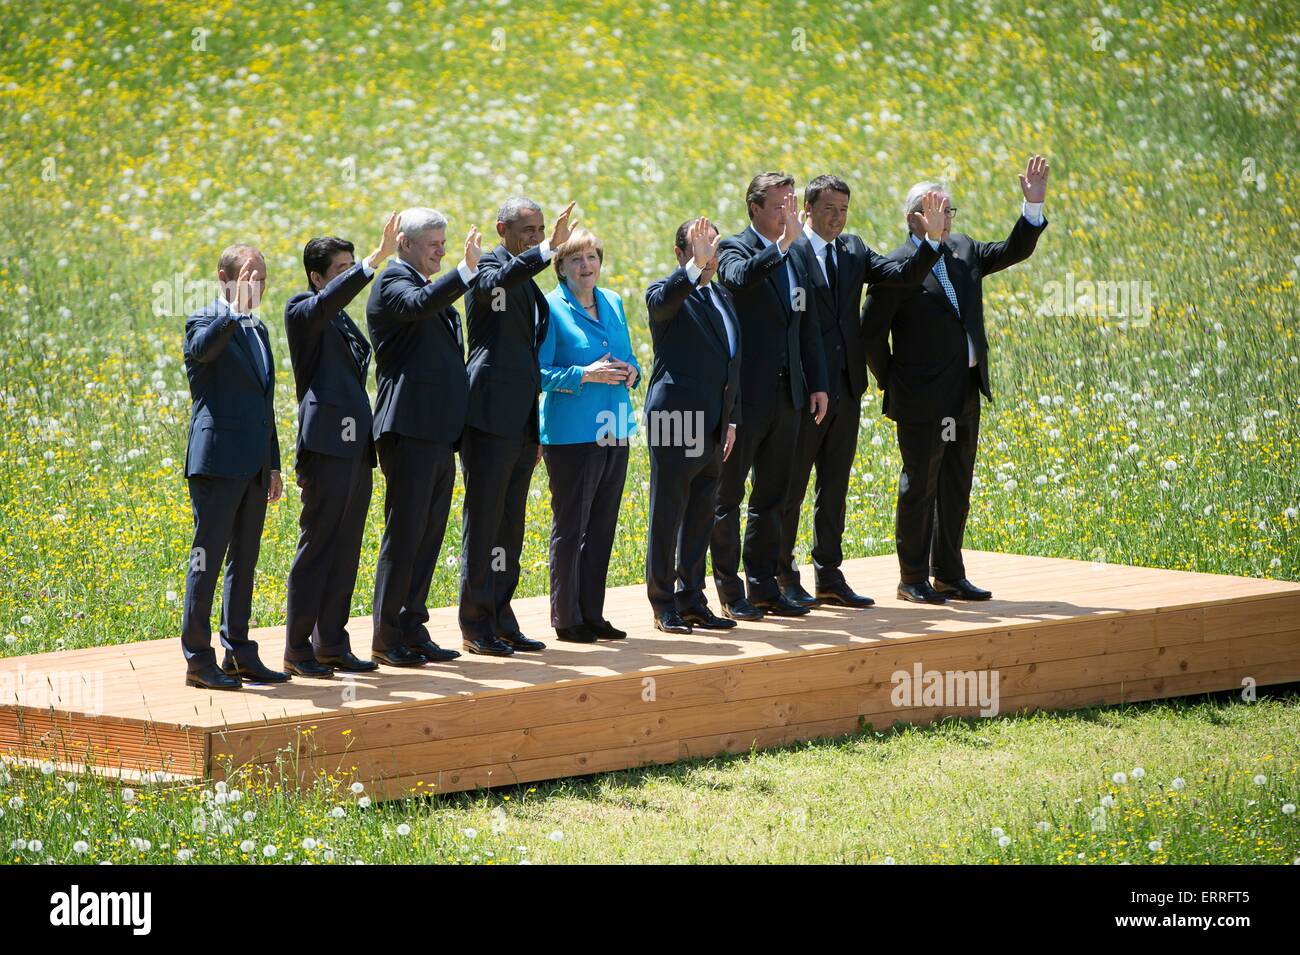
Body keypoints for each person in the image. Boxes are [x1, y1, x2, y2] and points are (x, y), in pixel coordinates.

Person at [862, 156, 1050, 604]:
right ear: (914, 218)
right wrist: (895, 379)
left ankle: (948, 573)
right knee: (919, 486)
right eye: (938, 210)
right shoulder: (895, 265)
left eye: (949, 210)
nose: (947, 218)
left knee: (956, 484)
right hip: (921, 399)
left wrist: (1033, 207)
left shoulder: (963, 250)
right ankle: (912, 578)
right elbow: (870, 335)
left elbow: (1012, 250)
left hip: (964, 392)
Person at [776, 176, 947, 609]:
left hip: (847, 389)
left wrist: (928, 241)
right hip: (803, 392)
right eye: (829, 209)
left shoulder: (853, 250)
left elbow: (900, 275)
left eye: (844, 209)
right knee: (791, 488)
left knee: (834, 488)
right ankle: (782, 575)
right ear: (808, 209)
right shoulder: (790, 249)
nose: (837, 218)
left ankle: (829, 576)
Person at [282, 215, 401, 677]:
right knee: (319, 546)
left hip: (355, 447)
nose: (350, 274)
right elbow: (325, 305)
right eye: (340, 269)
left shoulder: (343, 320)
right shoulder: (302, 310)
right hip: (326, 446)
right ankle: (297, 647)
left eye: (352, 265)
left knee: (347, 546)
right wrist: (372, 262)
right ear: (317, 277)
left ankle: (331, 641)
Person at [458, 197, 575, 656]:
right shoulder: (488, 266)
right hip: (488, 417)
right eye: (528, 230)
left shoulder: (524, 276)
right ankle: (476, 623)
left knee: (510, 525)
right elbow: (492, 283)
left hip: (522, 420)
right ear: (502, 229)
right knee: (484, 523)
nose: (536, 237)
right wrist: (546, 250)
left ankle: (502, 617)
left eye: (540, 229)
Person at [366, 208, 481, 666]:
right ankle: (386, 636)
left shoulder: (425, 288)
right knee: (406, 533)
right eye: (434, 243)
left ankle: (412, 627)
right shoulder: (394, 282)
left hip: (436, 434)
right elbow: (419, 305)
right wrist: (466, 272)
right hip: (409, 431)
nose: (442, 249)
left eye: (443, 241)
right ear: (405, 245)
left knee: (429, 535)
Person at [712, 172, 828, 621]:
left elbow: (808, 325)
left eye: (790, 203)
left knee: (774, 496)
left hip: (789, 395)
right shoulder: (736, 248)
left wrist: (816, 382)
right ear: (755, 208)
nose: (787, 213)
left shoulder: (796, 253)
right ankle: (728, 587)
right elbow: (740, 280)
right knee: (728, 497)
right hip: (746, 398)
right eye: (779, 205)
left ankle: (763, 585)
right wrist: (782, 247)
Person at [180, 244, 286, 690]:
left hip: (254, 465)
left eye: (261, 277)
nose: (256, 285)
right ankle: (198, 660)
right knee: (207, 559)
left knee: (244, 562)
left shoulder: (258, 330)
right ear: (224, 277)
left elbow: (264, 404)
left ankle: (238, 651)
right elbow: (203, 352)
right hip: (218, 462)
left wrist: (275, 464)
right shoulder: (204, 320)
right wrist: (233, 310)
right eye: (247, 276)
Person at [538, 227, 640, 642]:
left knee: (602, 525)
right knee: (572, 526)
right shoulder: (550, 308)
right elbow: (539, 372)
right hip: (571, 434)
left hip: (616, 426)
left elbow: (628, 355)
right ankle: (566, 617)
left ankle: (592, 613)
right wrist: (584, 374)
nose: (586, 266)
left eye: (592, 258)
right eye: (576, 259)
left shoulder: (613, 301)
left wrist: (632, 371)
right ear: (560, 267)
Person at [644, 217, 742, 634]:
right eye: (700, 248)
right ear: (680, 254)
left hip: (715, 423)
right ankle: (663, 602)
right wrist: (692, 270)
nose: (709, 257)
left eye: (714, 248)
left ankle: (692, 599)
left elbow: (732, 362)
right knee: (668, 512)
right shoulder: (666, 295)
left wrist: (732, 418)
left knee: (702, 512)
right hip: (674, 418)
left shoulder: (722, 295)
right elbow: (664, 301)